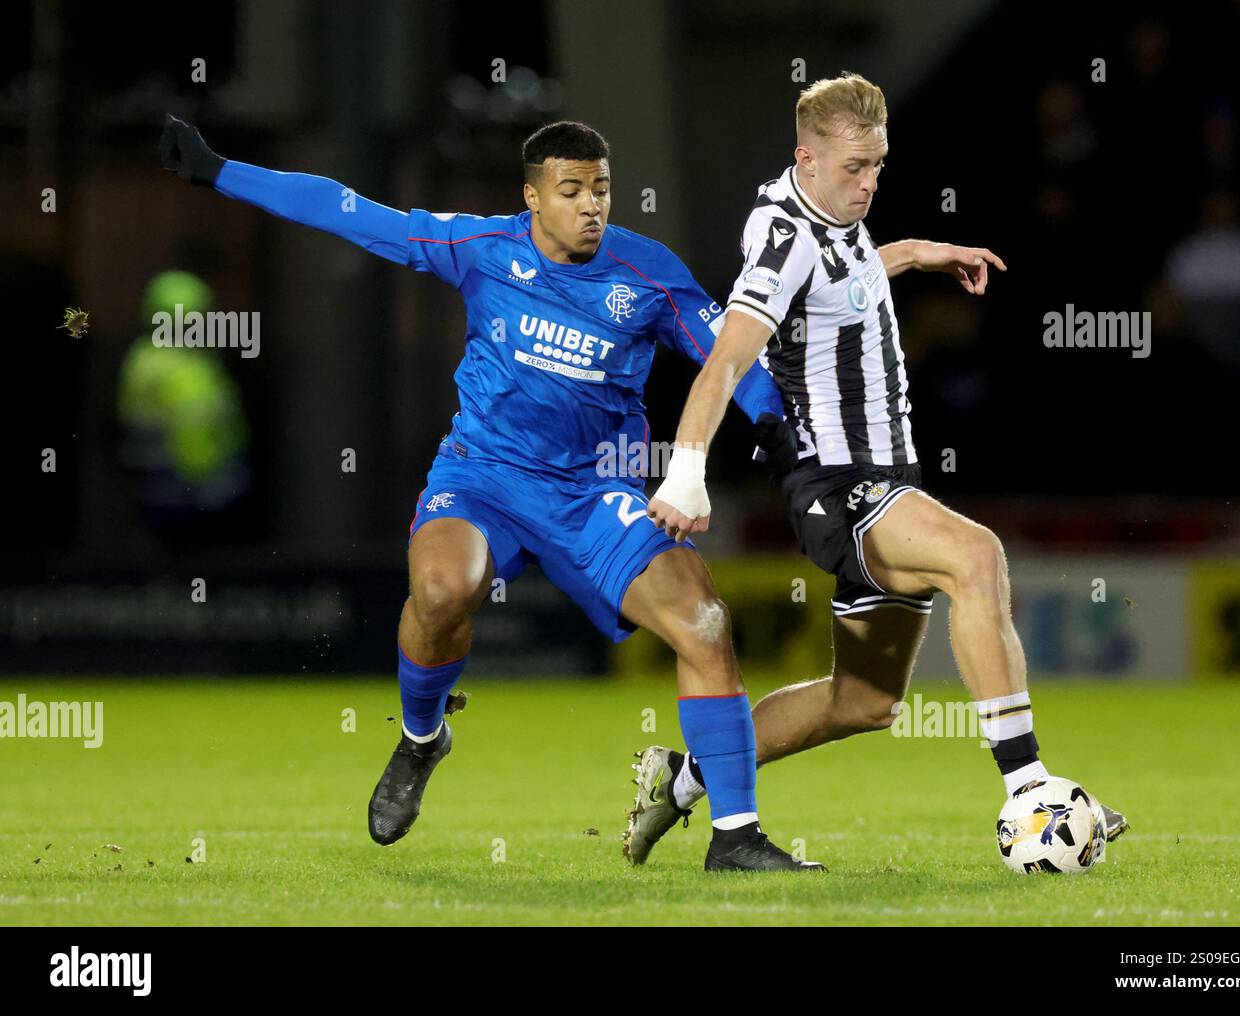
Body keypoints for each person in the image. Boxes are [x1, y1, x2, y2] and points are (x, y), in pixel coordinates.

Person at [160, 113, 822, 872]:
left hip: (593, 492)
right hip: (485, 477)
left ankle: (734, 838)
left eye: (601, 189)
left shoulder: (647, 273)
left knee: (703, 623)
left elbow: (729, 349)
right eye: (570, 190)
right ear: (532, 198)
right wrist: (221, 173)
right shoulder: (480, 248)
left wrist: (771, 419)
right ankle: (421, 737)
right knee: (443, 592)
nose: (591, 205)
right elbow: (346, 209)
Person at [624, 73, 1128, 865]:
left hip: (887, 478)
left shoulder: (832, 212)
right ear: (808, 157)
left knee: (859, 703)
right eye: (855, 167)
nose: (868, 183)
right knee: (976, 555)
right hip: (836, 483)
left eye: (879, 167)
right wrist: (686, 470)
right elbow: (724, 360)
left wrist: (915, 253)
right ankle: (1031, 790)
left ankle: (681, 782)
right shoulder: (783, 239)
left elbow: (843, 278)